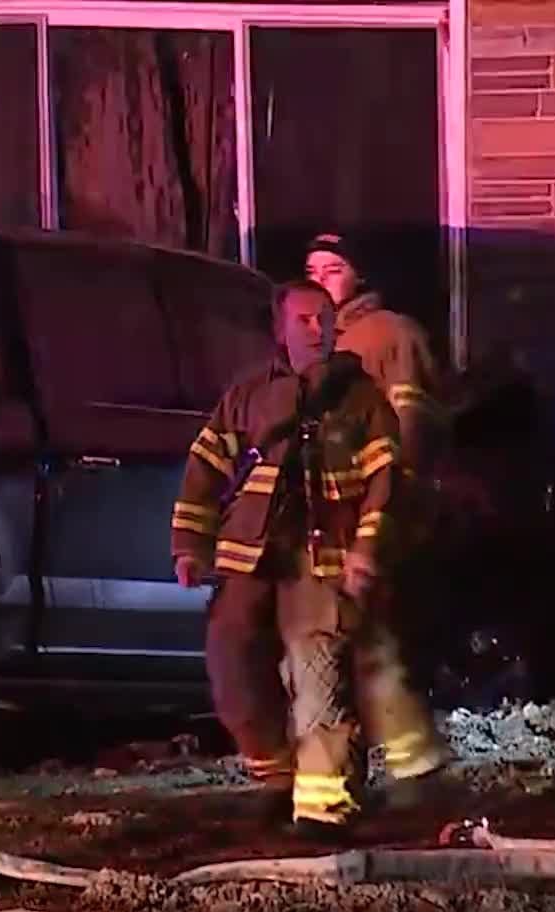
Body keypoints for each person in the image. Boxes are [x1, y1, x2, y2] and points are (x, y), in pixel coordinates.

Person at [172, 281, 400, 840]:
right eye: (304, 321)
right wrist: (189, 546)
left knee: (317, 673)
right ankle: (278, 777)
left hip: (321, 561)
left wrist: (367, 548)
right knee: (234, 671)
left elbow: (387, 482)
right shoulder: (249, 395)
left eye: (325, 319)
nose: (318, 331)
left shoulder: (360, 397)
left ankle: (325, 807)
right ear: (279, 329)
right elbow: (205, 469)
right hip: (250, 560)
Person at [303, 233, 453, 802]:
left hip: (374, 515)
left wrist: (389, 505)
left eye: (333, 268)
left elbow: (413, 428)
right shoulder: (314, 343)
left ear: (359, 276)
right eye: (311, 269)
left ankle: (409, 776)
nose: (320, 280)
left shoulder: (391, 335)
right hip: (326, 519)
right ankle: (398, 772)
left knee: (360, 644)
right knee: (349, 647)